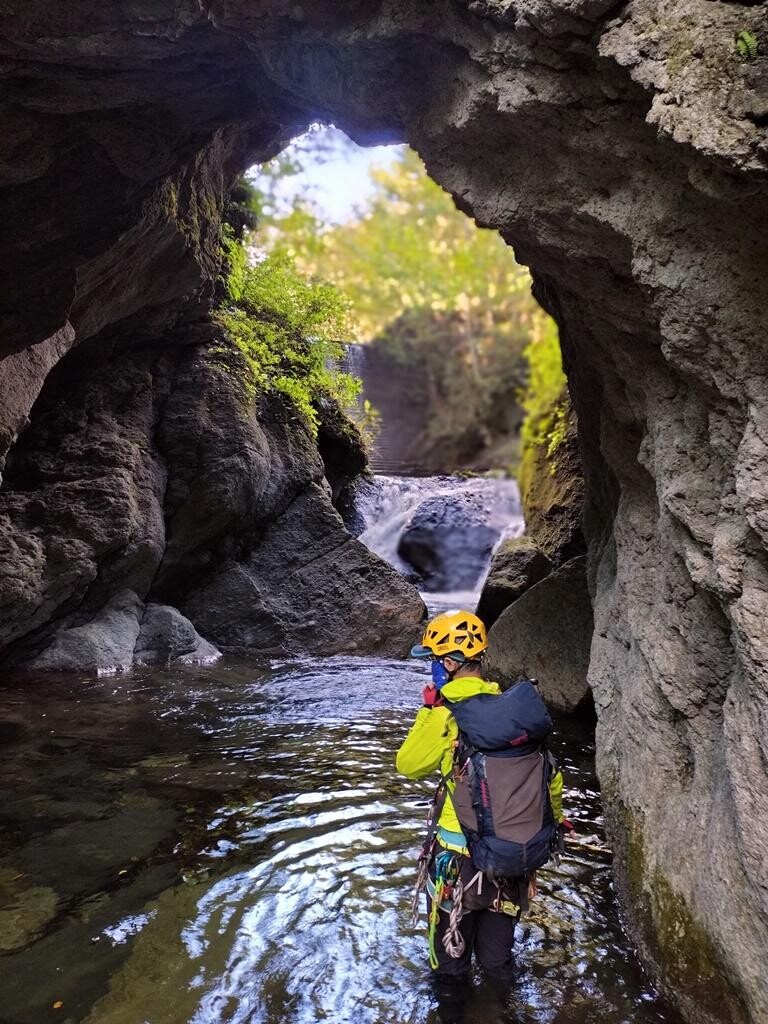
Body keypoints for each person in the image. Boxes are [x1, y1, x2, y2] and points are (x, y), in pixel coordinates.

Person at [396, 610, 567, 1021]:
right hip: (511, 859)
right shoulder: (515, 712)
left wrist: (430, 709)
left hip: (457, 862)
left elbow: (408, 764)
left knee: (450, 961)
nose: (432, 668)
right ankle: (502, 1011)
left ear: (449, 664)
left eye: (434, 660)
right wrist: (554, 825)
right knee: (497, 961)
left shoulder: (446, 716)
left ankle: (454, 1013)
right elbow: (552, 780)